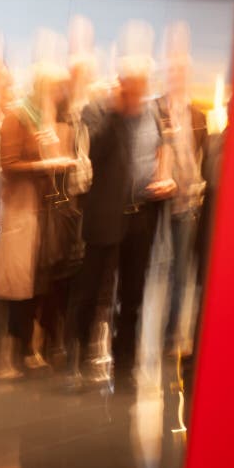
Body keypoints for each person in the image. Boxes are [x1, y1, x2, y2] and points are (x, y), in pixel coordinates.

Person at [66, 56, 176, 391]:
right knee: (90, 291)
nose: (136, 93)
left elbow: (159, 153)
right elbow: (93, 155)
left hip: (140, 215)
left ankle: (125, 363)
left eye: (141, 87)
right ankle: (76, 359)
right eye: (130, 86)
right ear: (121, 85)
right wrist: (115, 113)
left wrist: (165, 180)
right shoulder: (98, 112)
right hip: (104, 217)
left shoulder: (152, 115)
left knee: (132, 295)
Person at [0, 63, 74, 379]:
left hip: (32, 210)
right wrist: (46, 163)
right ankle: (0, 358)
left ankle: (17, 353)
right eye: (53, 89)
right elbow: (8, 165)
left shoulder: (39, 118)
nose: (58, 95)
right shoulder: (17, 117)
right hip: (15, 211)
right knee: (10, 284)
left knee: (24, 285)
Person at [158, 51, 207, 353]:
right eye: (173, 70)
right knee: (153, 269)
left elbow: (199, 157)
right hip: (156, 200)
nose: (178, 76)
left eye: (182, 71)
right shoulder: (156, 108)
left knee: (180, 273)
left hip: (186, 204)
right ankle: (134, 332)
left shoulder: (197, 115)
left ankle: (173, 333)